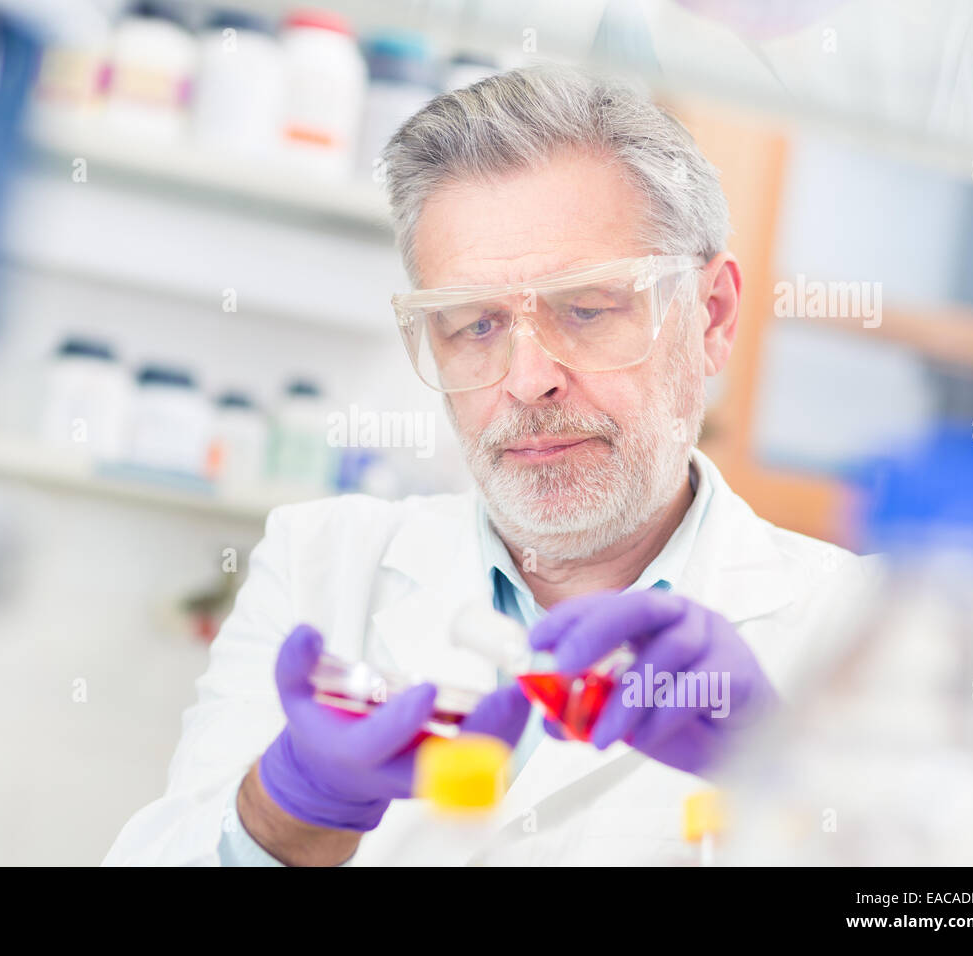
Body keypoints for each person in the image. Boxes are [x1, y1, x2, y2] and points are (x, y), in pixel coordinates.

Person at [105, 64, 874, 866]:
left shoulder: (863, 627)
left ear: (711, 317)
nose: (525, 378)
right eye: (472, 324)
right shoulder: (321, 563)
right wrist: (277, 817)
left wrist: (786, 785)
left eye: (586, 309)